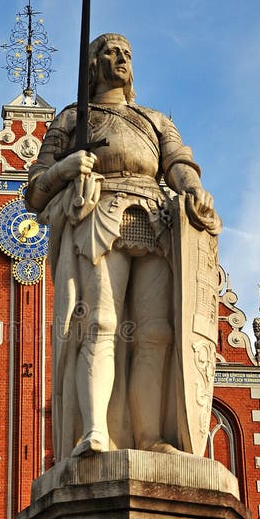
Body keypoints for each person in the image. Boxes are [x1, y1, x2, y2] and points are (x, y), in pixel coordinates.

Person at [26, 33, 221, 461]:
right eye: (111, 52)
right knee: (101, 323)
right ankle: (94, 430)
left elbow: (178, 165)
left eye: (127, 54)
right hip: (101, 214)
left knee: (157, 333)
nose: (121, 59)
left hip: (155, 222)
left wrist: (195, 191)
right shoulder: (74, 119)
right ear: (94, 64)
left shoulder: (153, 120)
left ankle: (151, 436)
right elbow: (35, 191)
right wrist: (66, 167)